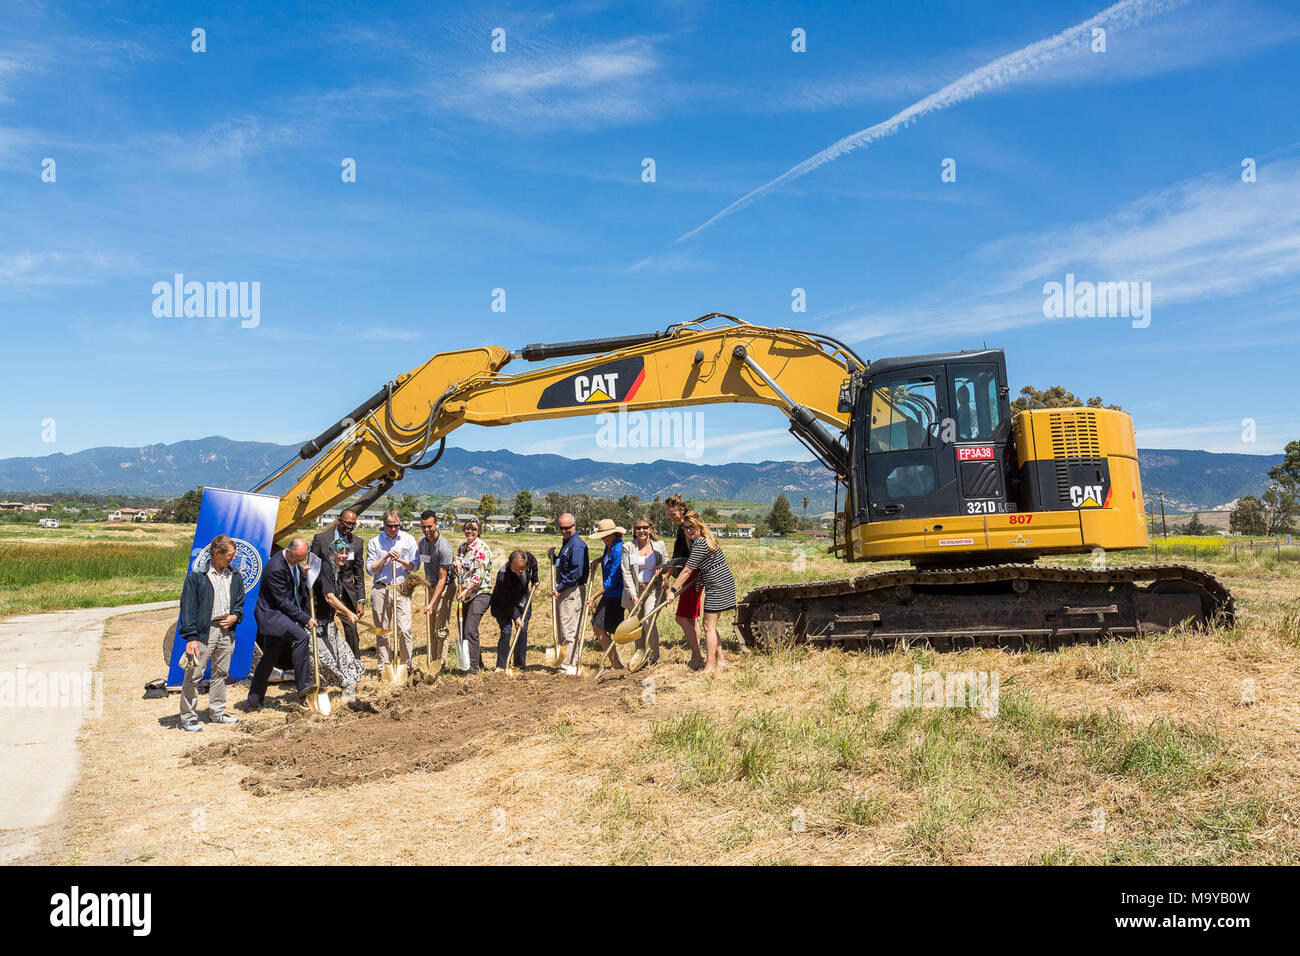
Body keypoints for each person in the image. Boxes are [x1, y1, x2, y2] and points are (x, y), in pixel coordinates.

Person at [177, 534, 246, 731]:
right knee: (194, 674)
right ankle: (188, 717)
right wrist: (191, 637)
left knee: (221, 673)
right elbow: (188, 608)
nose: (233, 558)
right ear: (217, 553)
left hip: (226, 632)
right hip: (203, 632)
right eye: (231, 555)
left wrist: (235, 616)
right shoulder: (196, 577)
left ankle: (217, 713)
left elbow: (240, 603)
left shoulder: (235, 575)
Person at [245, 538, 315, 710]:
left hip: (280, 614)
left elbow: (294, 586)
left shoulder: (291, 561)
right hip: (272, 615)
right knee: (301, 637)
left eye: (301, 559)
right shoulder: (275, 568)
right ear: (288, 551)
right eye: (296, 559)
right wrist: (305, 618)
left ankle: (253, 703)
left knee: (269, 659)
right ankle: (304, 684)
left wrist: (303, 575)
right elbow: (282, 602)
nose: (298, 562)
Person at [668, 511, 737, 676]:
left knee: (708, 626)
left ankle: (709, 666)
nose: (688, 530)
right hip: (720, 583)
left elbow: (687, 570)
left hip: (718, 585)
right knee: (711, 625)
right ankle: (720, 661)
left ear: (700, 526)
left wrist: (672, 590)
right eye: (685, 528)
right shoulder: (706, 541)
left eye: (691, 527)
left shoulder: (700, 544)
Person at [366, 509, 419, 674]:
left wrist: (402, 561)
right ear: (384, 524)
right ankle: (384, 667)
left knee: (404, 629)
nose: (394, 529)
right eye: (390, 526)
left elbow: (415, 566)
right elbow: (370, 569)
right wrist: (386, 557)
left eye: (397, 526)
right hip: (381, 589)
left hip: (401, 589)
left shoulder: (408, 539)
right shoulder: (375, 542)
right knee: (382, 630)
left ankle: (406, 665)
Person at [311, 538, 366, 698]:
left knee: (344, 654)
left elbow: (334, 597)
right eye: (339, 552)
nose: (343, 556)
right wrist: (348, 612)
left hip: (328, 620)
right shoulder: (325, 568)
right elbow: (329, 597)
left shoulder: (337, 569)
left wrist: (342, 611)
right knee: (325, 660)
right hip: (316, 622)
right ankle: (326, 688)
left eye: (345, 553)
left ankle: (351, 684)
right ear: (331, 553)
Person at [310, 507, 365, 659]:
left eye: (353, 524)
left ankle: (355, 662)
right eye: (347, 523)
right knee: (323, 627)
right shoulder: (320, 539)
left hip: (346, 592)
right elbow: (312, 566)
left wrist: (361, 600)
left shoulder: (357, 543)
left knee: (351, 628)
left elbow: (358, 574)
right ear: (339, 520)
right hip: (324, 592)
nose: (349, 527)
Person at [664, 494, 705, 669]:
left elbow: (681, 557)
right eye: (668, 514)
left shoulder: (686, 527)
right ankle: (700, 655)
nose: (670, 517)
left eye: (672, 514)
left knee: (682, 618)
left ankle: (697, 656)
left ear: (681, 510)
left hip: (692, 575)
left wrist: (667, 575)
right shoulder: (689, 522)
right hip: (697, 574)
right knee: (692, 618)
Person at [620, 515, 668, 669]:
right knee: (636, 623)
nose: (642, 530)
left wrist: (661, 569)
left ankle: (655, 653)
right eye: (638, 528)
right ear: (634, 530)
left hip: (653, 588)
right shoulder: (629, 547)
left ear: (650, 529)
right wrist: (633, 595)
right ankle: (640, 653)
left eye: (645, 527)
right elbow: (626, 572)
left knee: (648, 620)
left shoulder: (659, 545)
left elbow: (666, 562)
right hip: (635, 590)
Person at [547, 512, 589, 674]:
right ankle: (565, 661)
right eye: (562, 528)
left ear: (574, 526)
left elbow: (576, 573)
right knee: (563, 628)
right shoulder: (567, 542)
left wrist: (559, 587)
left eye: (567, 528)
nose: (564, 530)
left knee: (569, 629)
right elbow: (563, 564)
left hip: (572, 590)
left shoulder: (577, 545)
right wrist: (554, 556)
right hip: (565, 589)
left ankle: (570, 664)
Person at [584, 518, 627, 668]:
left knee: (598, 627)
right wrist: (598, 560)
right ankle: (615, 663)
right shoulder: (608, 547)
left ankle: (616, 663)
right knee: (599, 627)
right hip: (609, 594)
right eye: (602, 536)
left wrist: (593, 597)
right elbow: (606, 558)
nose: (604, 539)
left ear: (615, 534)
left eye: (607, 535)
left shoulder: (619, 548)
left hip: (615, 595)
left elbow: (613, 578)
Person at [453, 518, 494, 673]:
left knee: (470, 628)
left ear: (479, 532)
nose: (470, 532)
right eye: (467, 528)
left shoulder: (482, 549)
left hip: (480, 593)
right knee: (463, 628)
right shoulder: (462, 548)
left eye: (474, 529)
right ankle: (476, 661)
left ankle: (473, 668)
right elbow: (459, 568)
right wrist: (456, 566)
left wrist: (466, 590)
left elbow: (478, 576)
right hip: (464, 594)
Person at [417, 509, 456, 669]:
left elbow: (443, 578)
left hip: (445, 588)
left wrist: (432, 603)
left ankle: (441, 664)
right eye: (424, 527)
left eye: (430, 527)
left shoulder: (444, 547)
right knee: (430, 627)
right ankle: (432, 662)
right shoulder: (422, 543)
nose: (426, 530)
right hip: (431, 586)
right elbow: (419, 563)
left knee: (440, 628)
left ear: (436, 524)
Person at [490, 549, 537, 670]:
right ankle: (501, 665)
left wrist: (535, 579)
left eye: (521, 570)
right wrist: (516, 617)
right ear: (509, 563)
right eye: (514, 569)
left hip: (521, 600)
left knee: (522, 630)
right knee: (506, 631)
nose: (517, 572)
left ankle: (519, 665)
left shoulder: (529, 559)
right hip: (502, 604)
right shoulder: (503, 576)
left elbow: (534, 565)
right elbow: (505, 602)